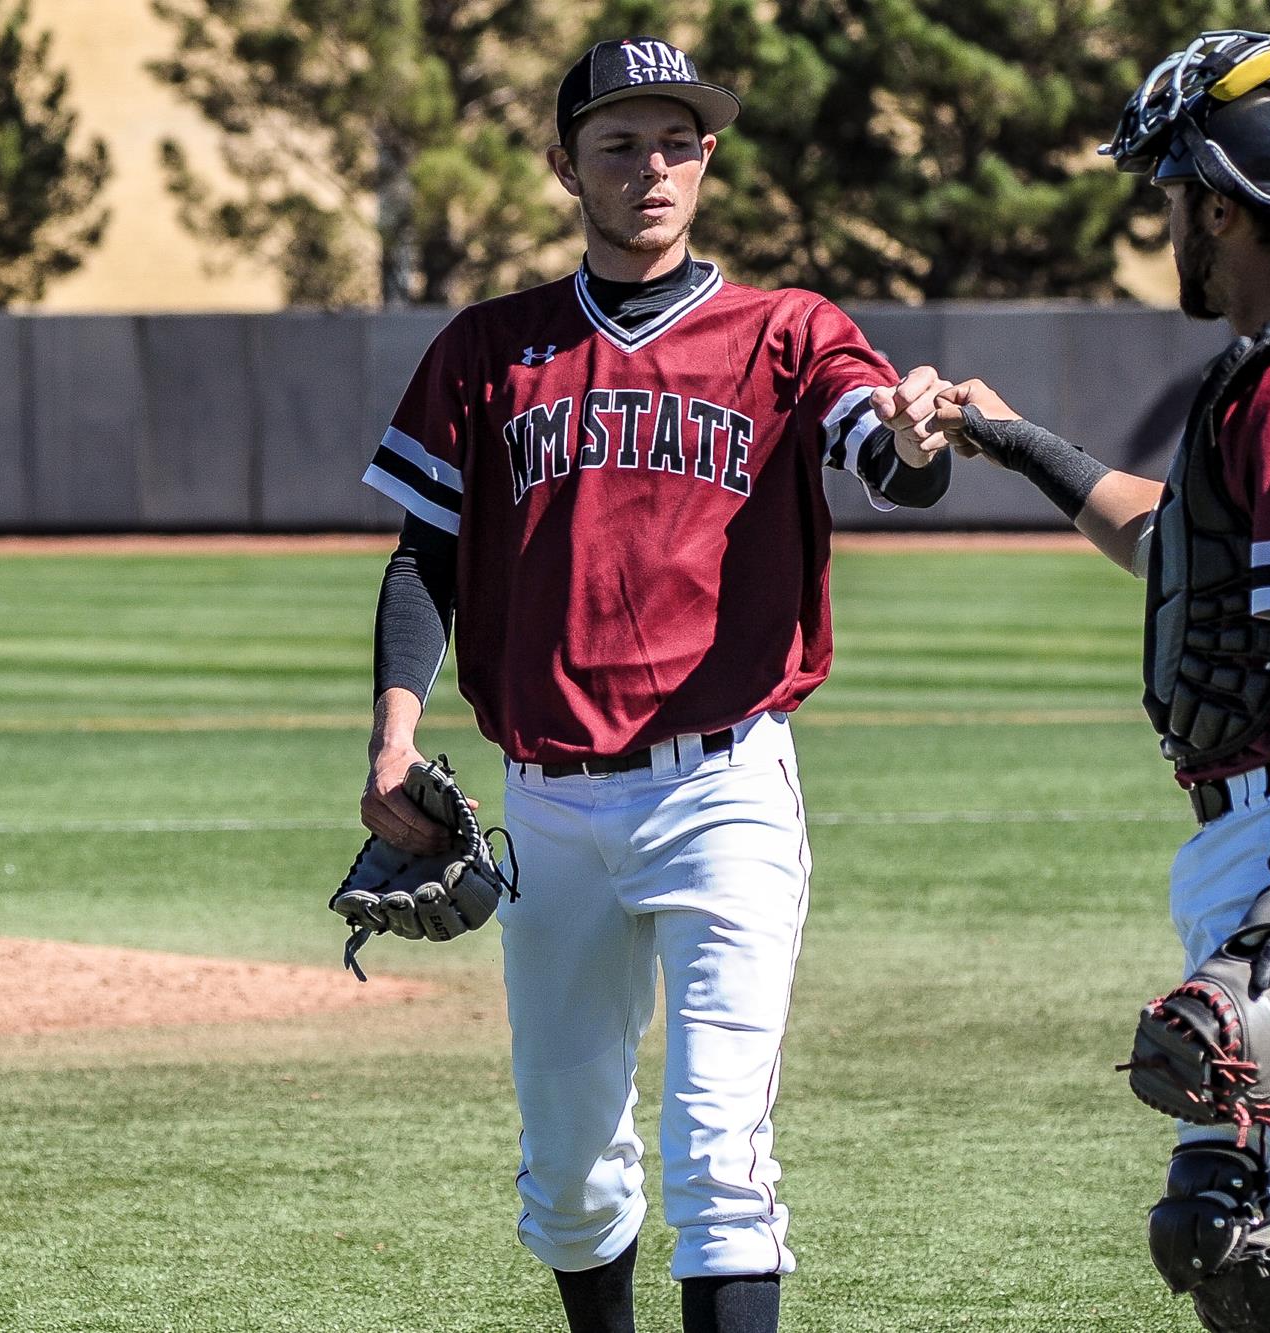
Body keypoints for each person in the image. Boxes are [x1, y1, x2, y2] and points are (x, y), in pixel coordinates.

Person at [356, 36, 951, 1333]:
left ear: (709, 159)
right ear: (565, 165)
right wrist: (392, 742)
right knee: (569, 1175)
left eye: (677, 141)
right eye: (619, 144)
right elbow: (424, 560)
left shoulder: (787, 332)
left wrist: (908, 437)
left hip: (723, 786)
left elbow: (885, 450)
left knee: (720, 1161)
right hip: (551, 805)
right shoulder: (489, 350)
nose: (653, 167)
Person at [875, 30, 1270, 1333]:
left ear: (1223, 204)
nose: (1168, 226)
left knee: (1267, 1239)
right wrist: (1017, 443)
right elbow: (1173, 544)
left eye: (1174, 196)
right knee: (1236, 1233)